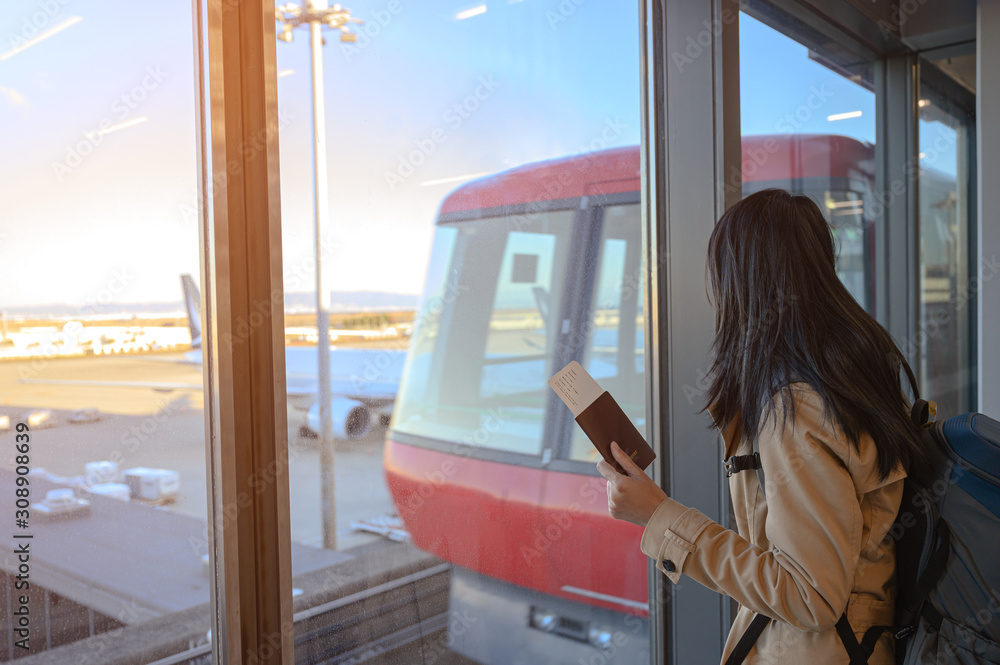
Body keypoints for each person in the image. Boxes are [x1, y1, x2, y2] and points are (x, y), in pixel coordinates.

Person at [598, 188, 929, 664]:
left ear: (745, 284)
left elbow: (809, 594)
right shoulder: (852, 372)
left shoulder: (798, 408)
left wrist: (659, 517)